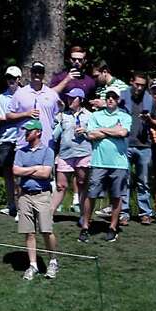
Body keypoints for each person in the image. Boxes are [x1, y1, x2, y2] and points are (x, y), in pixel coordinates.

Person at [82, 90, 132, 243]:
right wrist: (112, 130)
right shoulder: (95, 116)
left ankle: (112, 227)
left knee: (116, 196)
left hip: (119, 163)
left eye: (114, 97)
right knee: (91, 195)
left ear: (118, 100)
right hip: (98, 162)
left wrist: (101, 129)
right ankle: (85, 226)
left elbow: (123, 132)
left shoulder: (125, 116)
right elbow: (91, 135)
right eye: (108, 97)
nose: (110, 99)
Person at [13, 120, 58, 279]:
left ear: (38, 132)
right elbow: (15, 170)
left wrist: (25, 171)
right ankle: (33, 265)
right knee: (29, 232)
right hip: (25, 195)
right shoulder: (20, 152)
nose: (26, 133)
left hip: (42, 195)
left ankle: (53, 261)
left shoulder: (47, 152)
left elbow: (46, 174)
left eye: (29, 131)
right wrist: (35, 168)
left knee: (46, 230)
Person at [121, 72, 156, 223]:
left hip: (144, 145)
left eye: (142, 85)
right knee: (124, 179)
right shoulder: (122, 97)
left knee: (143, 181)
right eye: (137, 84)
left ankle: (145, 212)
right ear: (131, 82)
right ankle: (123, 212)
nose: (139, 88)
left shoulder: (150, 100)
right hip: (125, 143)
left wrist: (149, 119)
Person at [50, 88, 91, 223]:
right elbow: (54, 134)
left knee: (82, 184)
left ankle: (84, 216)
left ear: (81, 100)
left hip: (83, 153)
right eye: (69, 98)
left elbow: (94, 134)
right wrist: (58, 114)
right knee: (60, 185)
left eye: (73, 98)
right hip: (65, 154)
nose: (70, 100)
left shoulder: (89, 116)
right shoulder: (63, 115)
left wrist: (85, 131)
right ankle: (48, 215)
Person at [7, 61, 61, 148]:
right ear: (30, 73)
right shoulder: (20, 93)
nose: (37, 74)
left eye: (40, 72)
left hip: (46, 145)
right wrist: (26, 114)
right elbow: (8, 116)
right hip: (24, 145)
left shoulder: (52, 94)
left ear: (43, 74)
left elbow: (58, 118)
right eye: (34, 71)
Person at [0, 65, 22, 217]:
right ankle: (11, 205)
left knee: (19, 175)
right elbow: (0, 118)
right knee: (8, 174)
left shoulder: (25, 95)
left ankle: (21, 207)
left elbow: (6, 117)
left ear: (19, 79)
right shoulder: (1, 97)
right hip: (5, 139)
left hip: (21, 139)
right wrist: (19, 116)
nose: (10, 81)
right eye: (8, 78)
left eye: (13, 78)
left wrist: (9, 117)